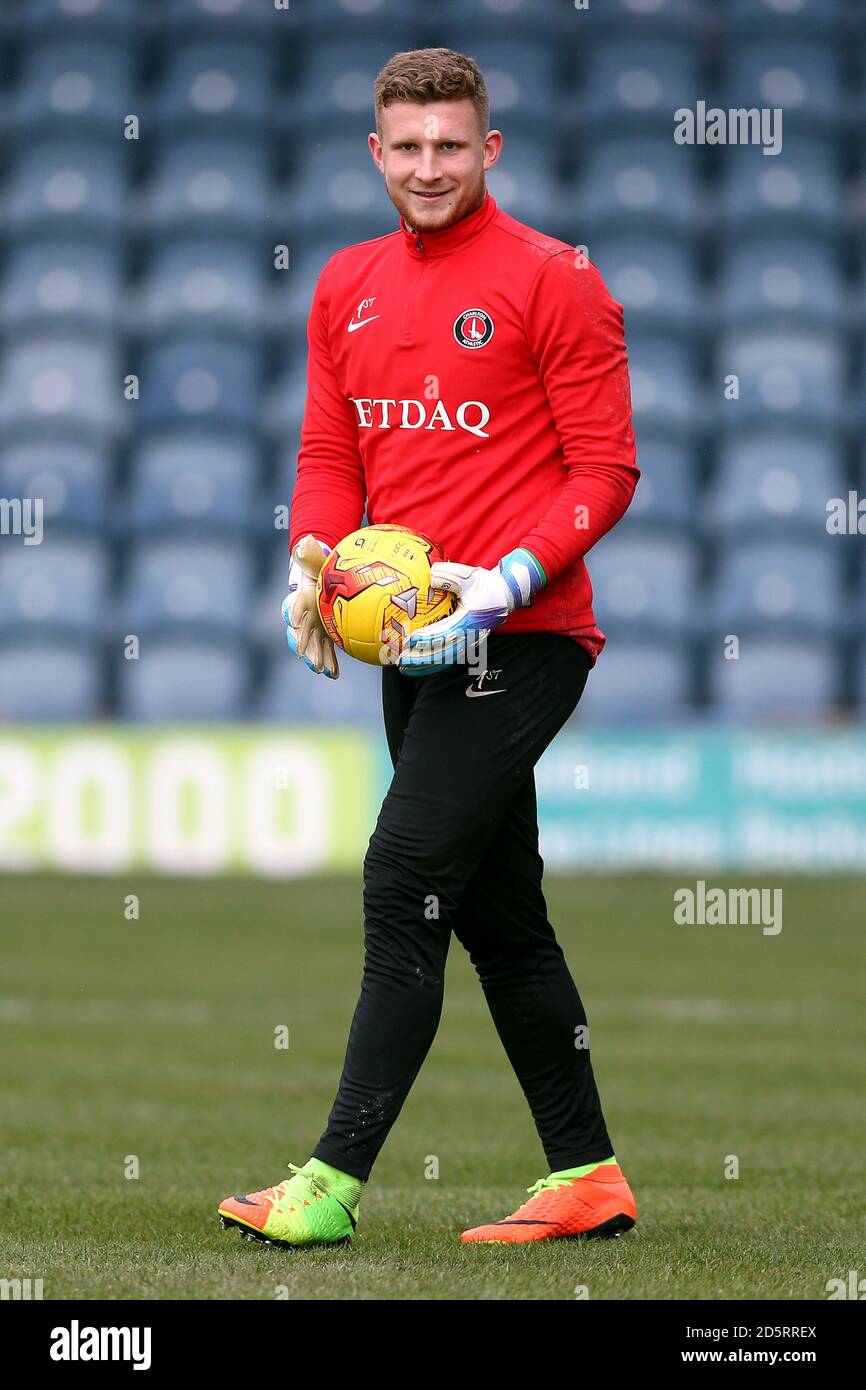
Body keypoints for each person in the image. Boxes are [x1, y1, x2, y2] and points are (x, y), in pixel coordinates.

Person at [219, 47, 640, 1249]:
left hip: (526, 638)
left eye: (450, 145)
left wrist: (506, 579)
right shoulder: (343, 282)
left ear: (489, 148)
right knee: (503, 921)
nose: (427, 167)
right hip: (411, 656)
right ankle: (586, 1176)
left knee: (400, 878)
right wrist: (311, 557)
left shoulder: (554, 278)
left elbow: (605, 466)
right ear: (374, 154)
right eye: (405, 148)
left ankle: (331, 1183)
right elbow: (326, 451)